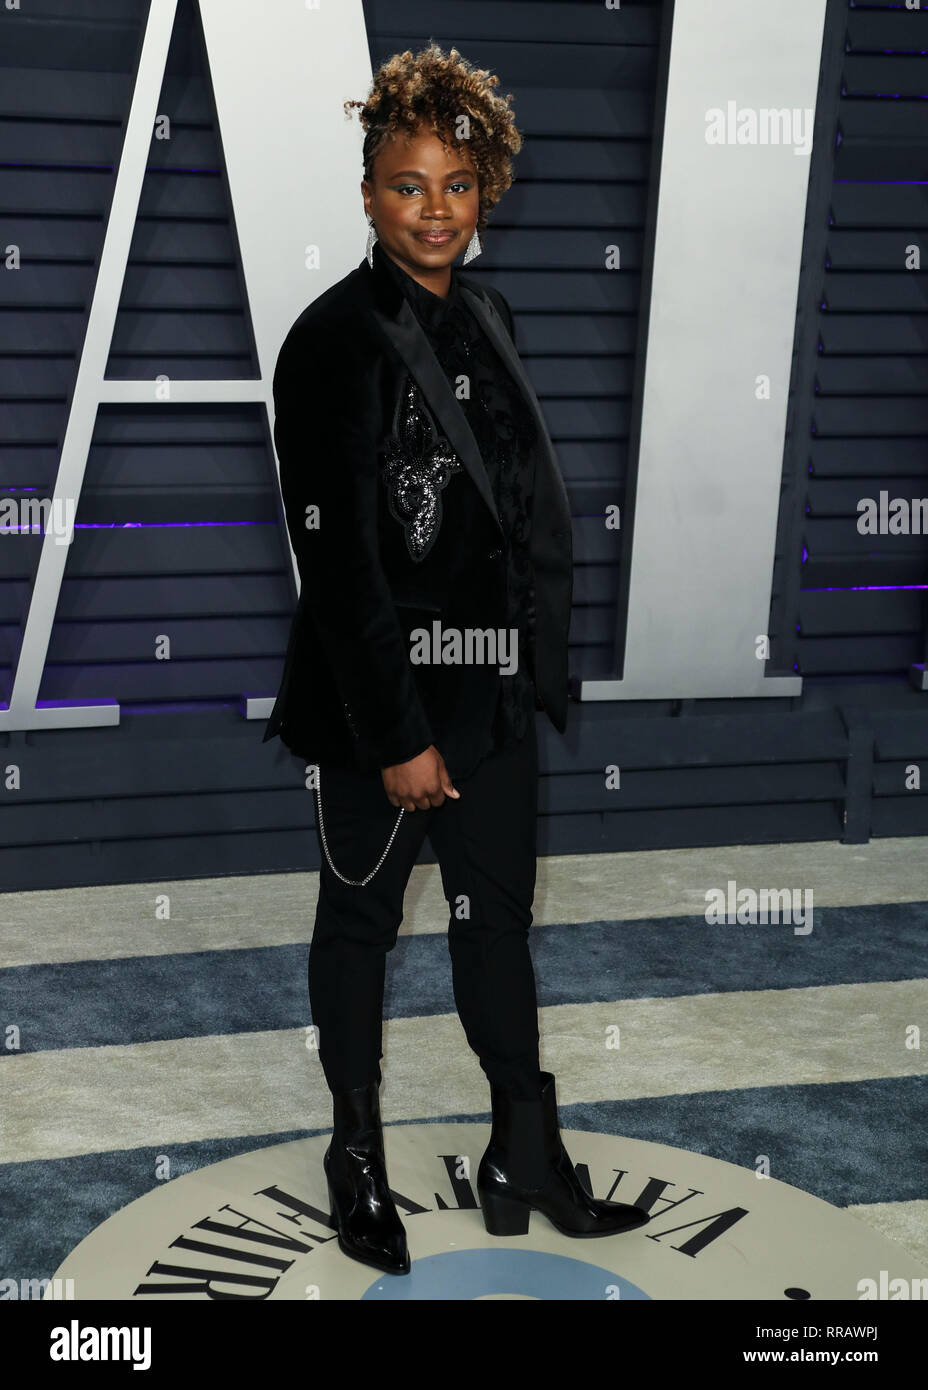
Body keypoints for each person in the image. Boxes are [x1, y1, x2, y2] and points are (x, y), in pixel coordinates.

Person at [263, 42, 649, 1277]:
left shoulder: (489, 313)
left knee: (497, 930)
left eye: (457, 185)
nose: (434, 209)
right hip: (381, 710)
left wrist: (512, 680)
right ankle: (356, 1156)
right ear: (367, 192)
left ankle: (521, 1152)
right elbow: (342, 574)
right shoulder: (330, 343)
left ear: (484, 191)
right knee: (359, 930)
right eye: (406, 184)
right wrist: (397, 738)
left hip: (489, 700)